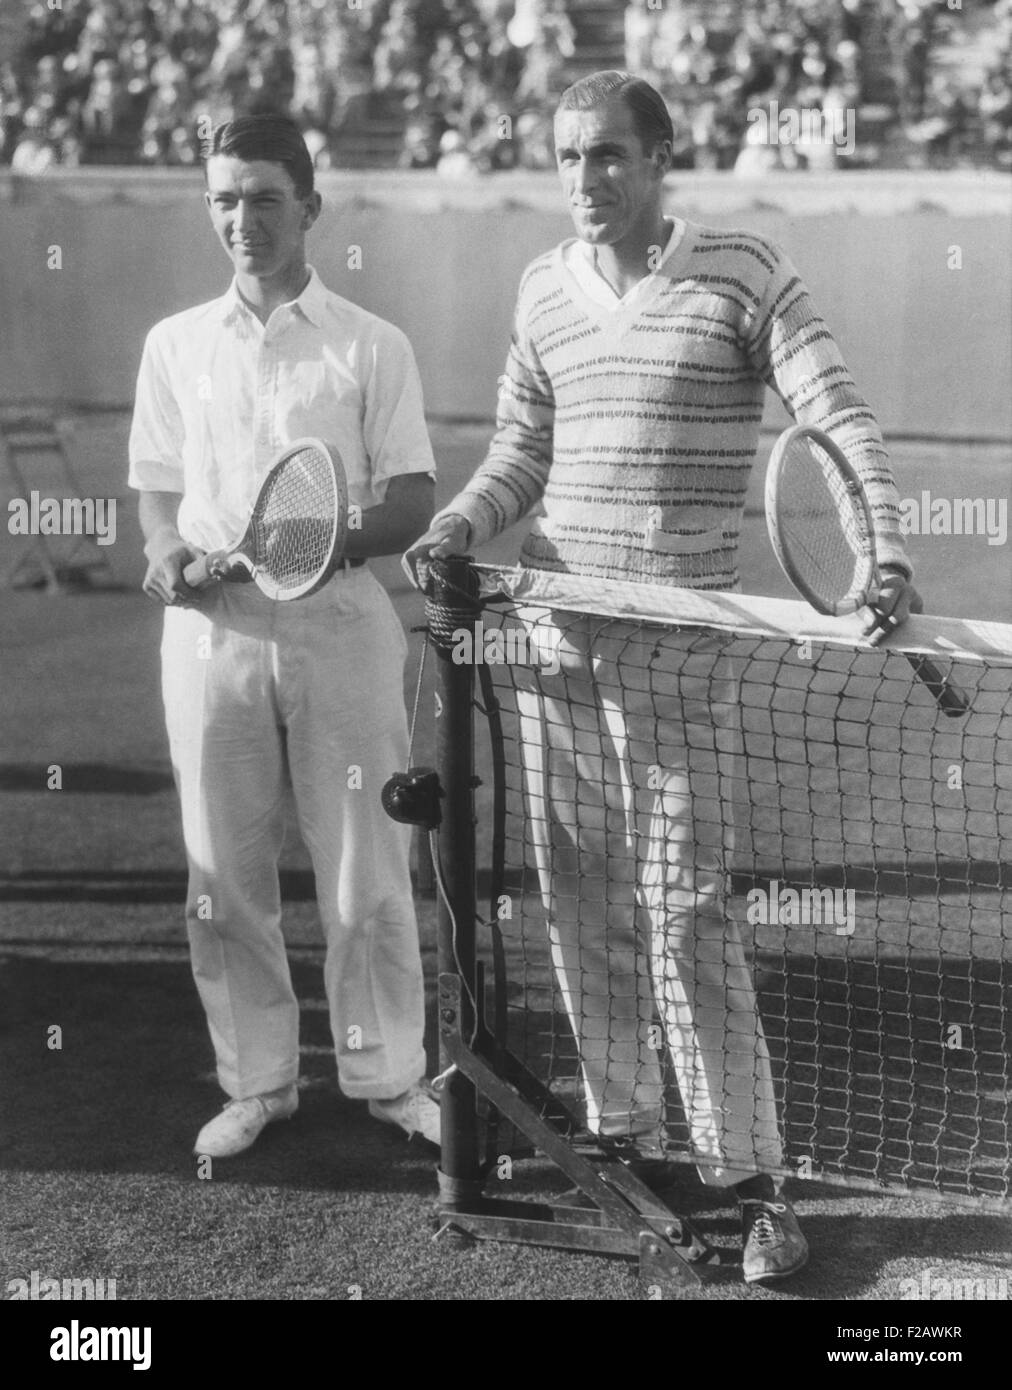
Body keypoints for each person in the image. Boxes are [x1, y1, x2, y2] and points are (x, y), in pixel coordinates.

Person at [404, 71, 919, 1284]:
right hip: (554, 648)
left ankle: (751, 1176)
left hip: (684, 665)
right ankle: (624, 1127)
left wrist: (880, 549)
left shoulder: (742, 271)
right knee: (579, 901)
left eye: (610, 158)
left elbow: (835, 416)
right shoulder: (542, 289)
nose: (587, 182)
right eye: (571, 159)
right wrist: (458, 525)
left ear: (662, 157)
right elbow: (521, 450)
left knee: (686, 913)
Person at [130, 114, 440, 1159]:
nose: (241, 218)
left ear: (310, 205)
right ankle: (258, 1082)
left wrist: (301, 545)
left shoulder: (370, 342)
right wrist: (171, 552)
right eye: (223, 197)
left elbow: (409, 504)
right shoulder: (172, 345)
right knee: (221, 876)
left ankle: (389, 1073)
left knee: (364, 870)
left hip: (342, 631)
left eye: (264, 196)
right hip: (211, 641)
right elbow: (159, 498)